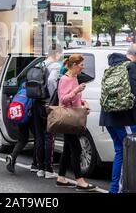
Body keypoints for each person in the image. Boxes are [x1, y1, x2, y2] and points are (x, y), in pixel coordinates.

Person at [99, 44, 136, 193]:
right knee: (127, 152)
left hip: (108, 116)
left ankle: (116, 188)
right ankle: (117, 189)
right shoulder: (131, 67)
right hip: (124, 118)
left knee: (120, 150)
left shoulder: (113, 65)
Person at [56, 54, 96, 191]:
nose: (83, 67)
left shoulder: (74, 78)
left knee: (68, 149)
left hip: (74, 116)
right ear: (74, 65)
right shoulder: (65, 79)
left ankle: (61, 177)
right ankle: (79, 180)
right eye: (81, 65)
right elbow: (63, 99)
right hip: (68, 118)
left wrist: (84, 103)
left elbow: (76, 98)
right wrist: (76, 90)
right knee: (77, 149)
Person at [32, 44, 62, 179]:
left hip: (36, 103)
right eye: (60, 54)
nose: (60, 57)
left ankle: (40, 168)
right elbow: (51, 81)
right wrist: (53, 97)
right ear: (56, 54)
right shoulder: (55, 65)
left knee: (39, 136)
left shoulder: (41, 64)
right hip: (47, 104)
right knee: (49, 136)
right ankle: (49, 169)